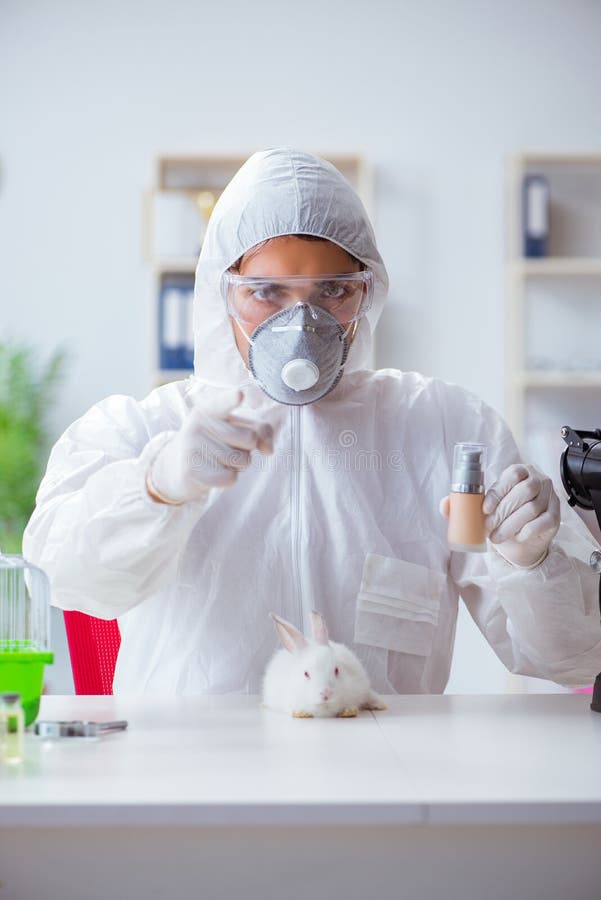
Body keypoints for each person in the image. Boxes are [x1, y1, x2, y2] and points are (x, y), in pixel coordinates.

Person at [23, 148, 601, 696]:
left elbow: (573, 658)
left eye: (332, 290)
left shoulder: (445, 427)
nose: (301, 322)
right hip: (192, 770)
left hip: (383, 770)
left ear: (366, 292)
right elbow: (63, 582)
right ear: (221, 294)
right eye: (267, 292)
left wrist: (532, 564)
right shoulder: (144, 429)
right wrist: (158, 485)